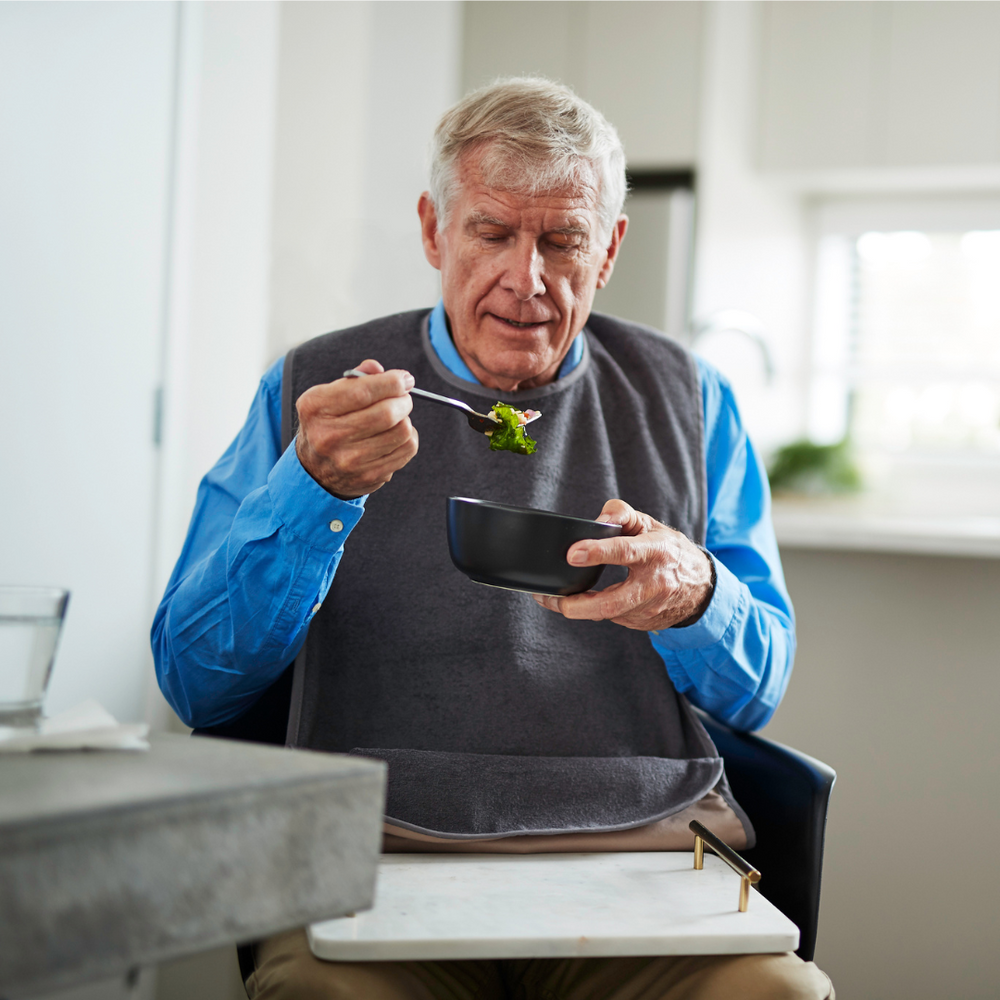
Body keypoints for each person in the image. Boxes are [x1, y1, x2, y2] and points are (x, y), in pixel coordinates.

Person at [153, 78, 832, 999]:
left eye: (562, 241)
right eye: (492, 232)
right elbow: (194, 680)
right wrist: (313, 492)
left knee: (785, 995)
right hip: (373, 849)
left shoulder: (693, 399)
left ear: (609, 249)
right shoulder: (314, 393)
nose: (527, 278)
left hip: (640, 857)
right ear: (435, 231)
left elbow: (759, 691)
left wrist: (696, 593)